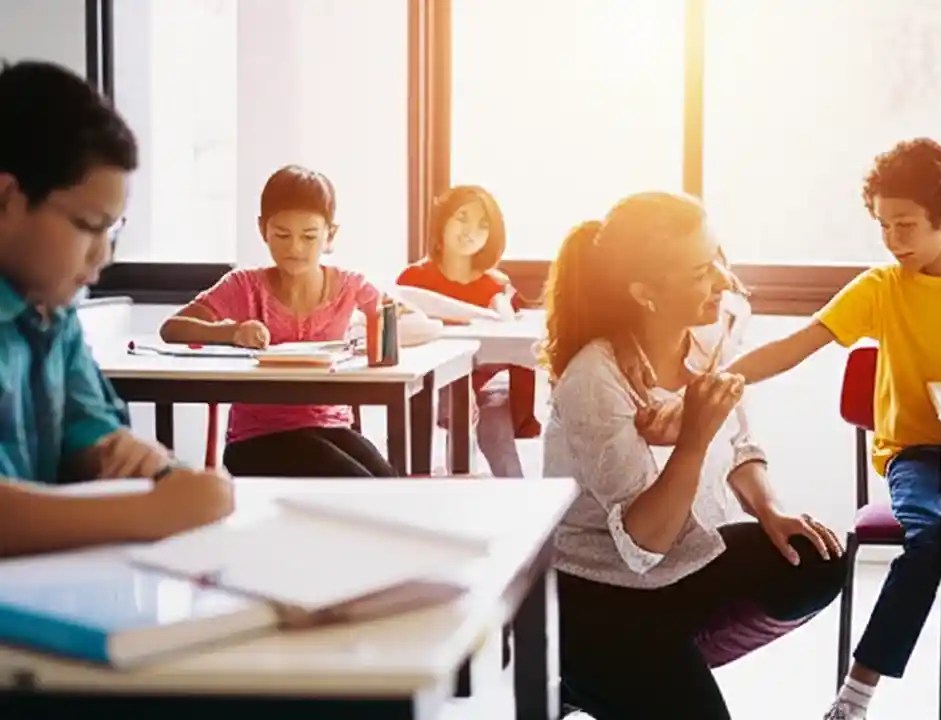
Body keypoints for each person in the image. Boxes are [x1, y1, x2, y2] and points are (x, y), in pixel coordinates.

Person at [727, 138, 941, 720]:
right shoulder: (881, 286)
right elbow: (798, 346)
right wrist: (720, 379)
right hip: (918, 455)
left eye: (906, 225)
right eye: (884, 226)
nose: (893, 240)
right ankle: (855, 697)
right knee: (931, 542)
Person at [541, 191, 846, 720]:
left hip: (678, 575)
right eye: (702, 270)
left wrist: (769, 509)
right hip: (598, 592)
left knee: (813, 561)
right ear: (646, 293)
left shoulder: (706, 338)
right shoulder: (594, 380)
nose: (724, 280)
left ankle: (654, 664)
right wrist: (692, 439)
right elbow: (645, 545)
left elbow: (742, 446)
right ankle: (593, 673)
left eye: (719, 258)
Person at [0, 60, 232, 556]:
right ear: (7, 198)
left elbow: (86, 428)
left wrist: (125, 457)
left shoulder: (51, 314)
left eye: (113, 230)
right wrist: (150, 513)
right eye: (88, 225)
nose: (103, 255)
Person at [160, 165, 434, 477]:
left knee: (389, 483)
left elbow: (416, 321)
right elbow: (173, 328)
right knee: (357, 484)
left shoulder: (350, 285)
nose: (295, 248)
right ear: (263, 229)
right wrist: (232, 332)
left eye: (308, 236)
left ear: (330, 235)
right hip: (257, 441)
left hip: (330, 427)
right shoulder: (244, 286)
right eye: (282, 235)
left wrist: (369, 338)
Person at [397, 185, 539, 477]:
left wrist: (503, 306)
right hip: (429, 386)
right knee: (451, 398)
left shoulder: (497, 286)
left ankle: (517, 499)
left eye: (482, 226)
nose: (470, 231)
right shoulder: (413, 279)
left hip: (487, 386)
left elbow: (513, 348)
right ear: (443, 220)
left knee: (497, 426)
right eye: (462, 217)